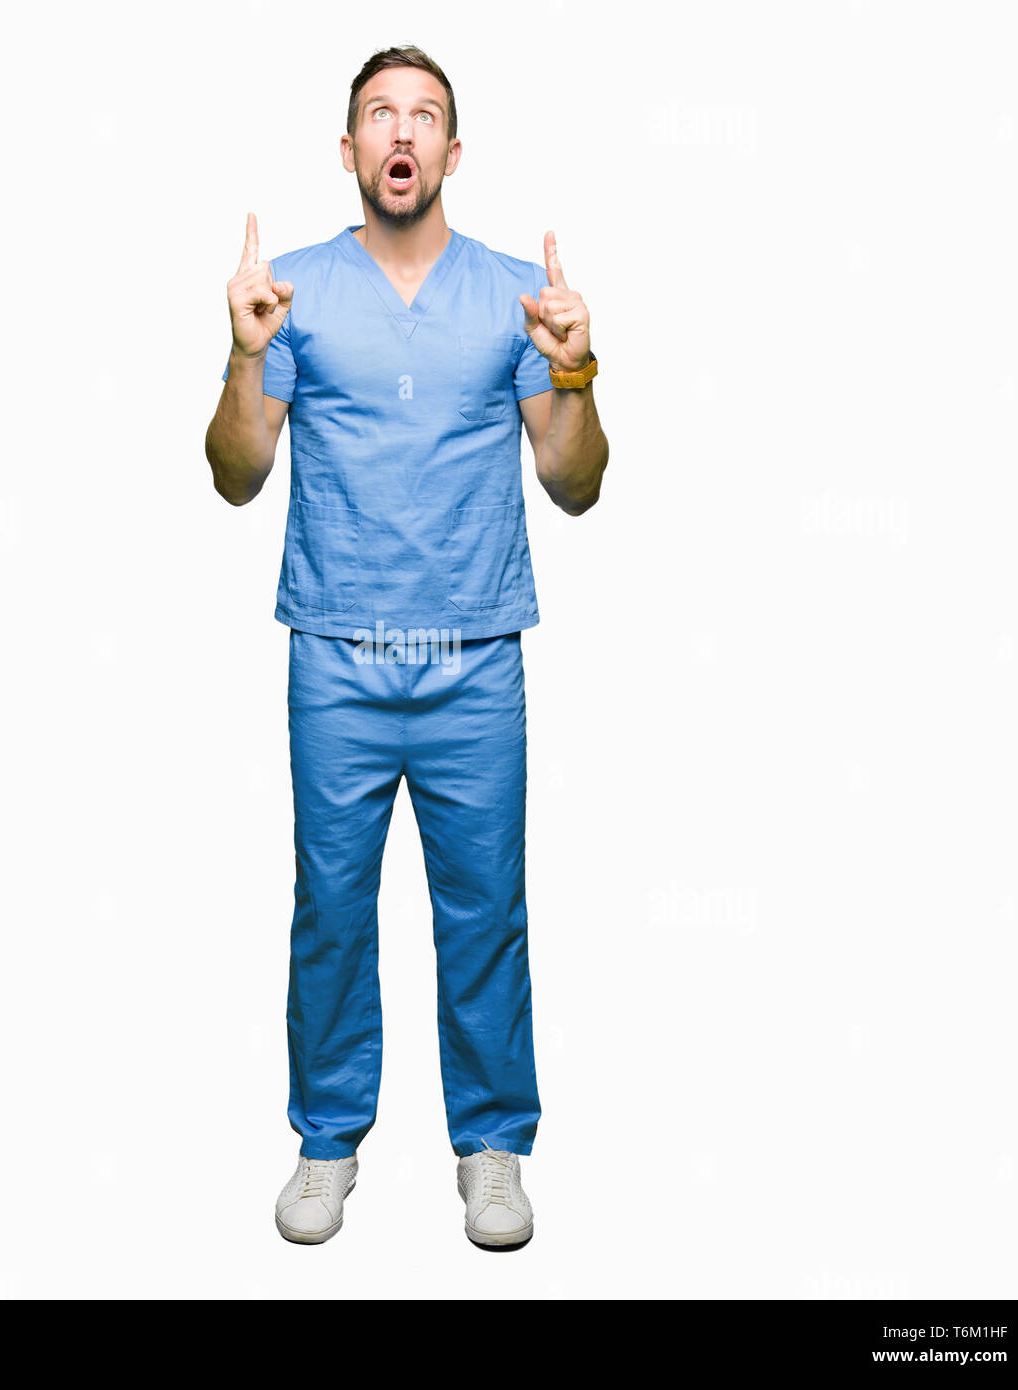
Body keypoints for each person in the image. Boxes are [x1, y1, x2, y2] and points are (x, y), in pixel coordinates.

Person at [205, 45, 609, 1250]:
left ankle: (492, 1146)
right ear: (349, 150)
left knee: (483, 910)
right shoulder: (290, 291)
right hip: (335, 654)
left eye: (424, 114)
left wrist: (574, 364)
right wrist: (240, 349)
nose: (402, 131)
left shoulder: (510, 297)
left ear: (449, 152)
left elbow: (575, 485)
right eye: (380, 112)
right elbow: (235, 477)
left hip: (475, 656)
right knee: (329, 908)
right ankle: (326, 1143)